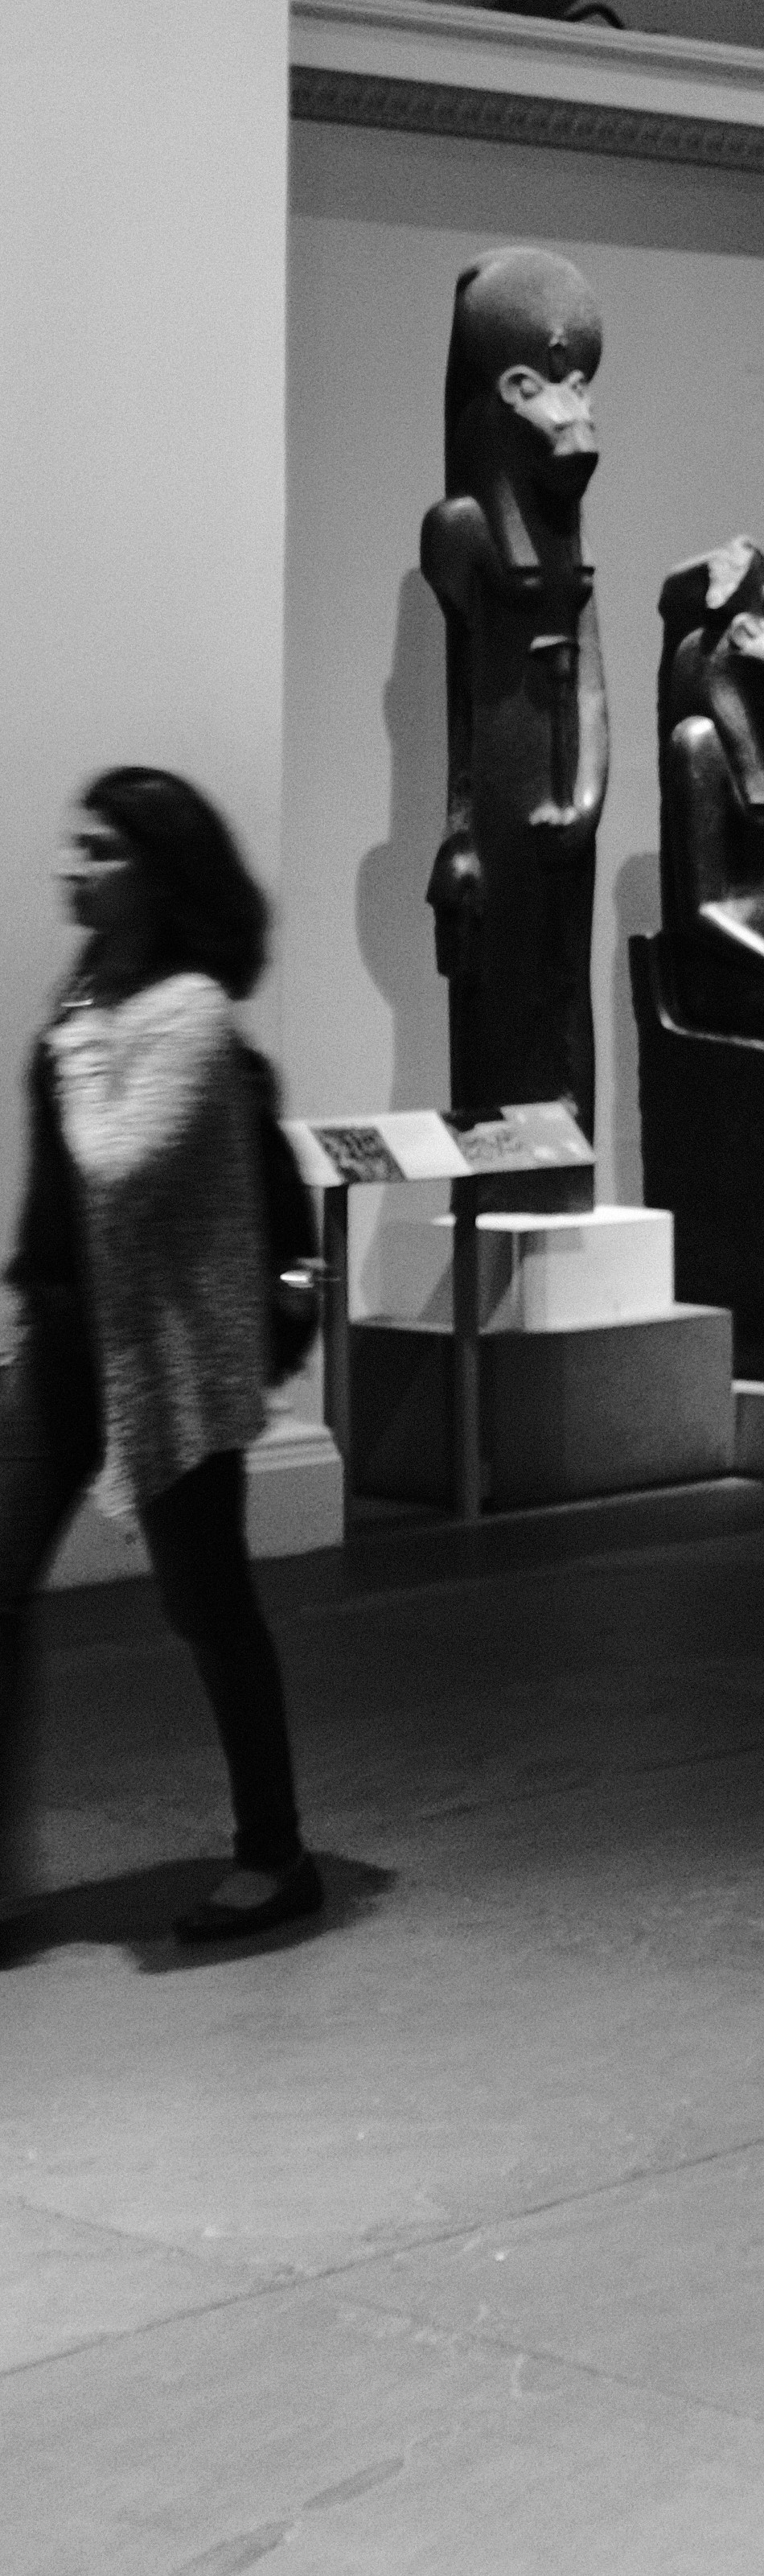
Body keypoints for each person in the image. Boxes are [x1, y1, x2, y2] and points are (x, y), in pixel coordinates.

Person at [0, 773, 321, 1944]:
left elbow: (115, 1161)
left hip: (164, 1354)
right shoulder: (93, 991)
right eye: (76, 843)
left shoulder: (182, 1012)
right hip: (64, 1337)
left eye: (101, 849)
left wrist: (82, 1044)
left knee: (208, 1603)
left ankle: (276, 1855)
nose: (72, 866)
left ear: (158, 874)